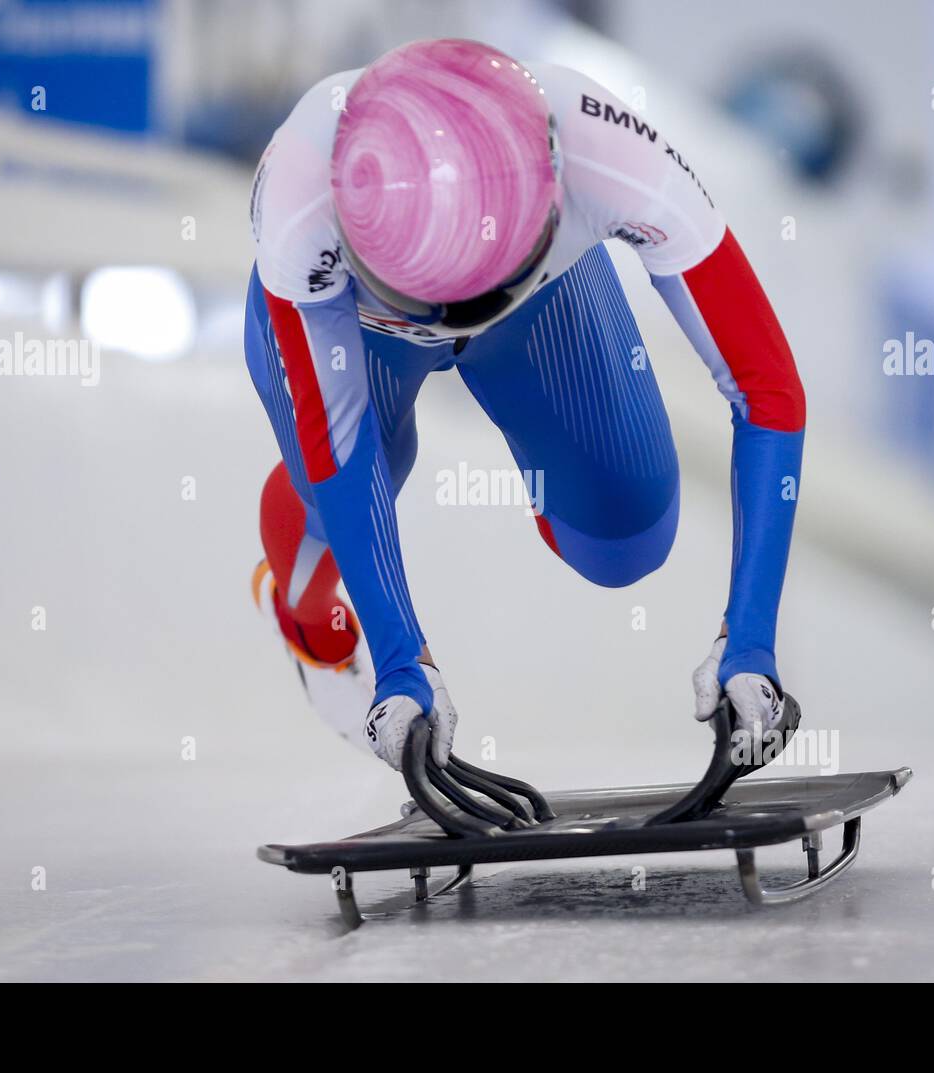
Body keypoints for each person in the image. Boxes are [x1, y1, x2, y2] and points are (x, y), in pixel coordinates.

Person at [245, 38, 804, 771]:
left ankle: (529, 399)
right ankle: (309, 620)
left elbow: (767, 387)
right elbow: (340, 448)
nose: (456, 322)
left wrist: (754, 638)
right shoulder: (298, 196)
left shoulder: (610, 151)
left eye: (478, 300)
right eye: (435, 307)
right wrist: (399, 664)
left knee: (624, 535)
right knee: (348, 479)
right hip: (358, 325)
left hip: (528, 311)